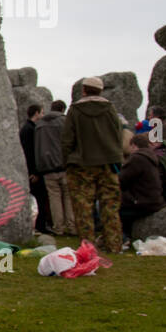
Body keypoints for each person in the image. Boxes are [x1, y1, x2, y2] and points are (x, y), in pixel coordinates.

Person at [62, 76, 124, 254]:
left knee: (83, 208)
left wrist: (66, 161)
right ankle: (114, 245)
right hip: (107, 162)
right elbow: (118, 134)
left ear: (83, 90)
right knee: (110, 205)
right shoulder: (110, 109)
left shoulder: (75, 110)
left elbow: (67, 139)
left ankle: (87, 248)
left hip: (81, 163)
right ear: (100, 90)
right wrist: (117, 158)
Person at [34, 99, 74, 235]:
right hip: (64, 165)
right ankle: (72, 226)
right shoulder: (65, 122)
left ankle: (58, 228)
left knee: (54, 198)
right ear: (63, 109)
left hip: (47, 167)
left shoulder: (40, 124)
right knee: (68, 197)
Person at [119, 134, 166, 242]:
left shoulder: (137, 158)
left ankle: (123, 237)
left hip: (143, 202)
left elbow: (122, 180)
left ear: (133, 145)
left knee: (115, 209)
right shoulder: (152, 157)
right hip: (155, 200)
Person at [19, 104, 52, 233]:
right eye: (42, 113)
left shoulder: (29, 128)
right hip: (33, 171)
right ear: (36, 113)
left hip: (33, 170)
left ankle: (41, 224)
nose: (43, 116)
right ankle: (40, 225)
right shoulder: (29, 130)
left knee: (41, 198)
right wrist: (34, 171)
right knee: (41, 198)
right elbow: (29, 152)